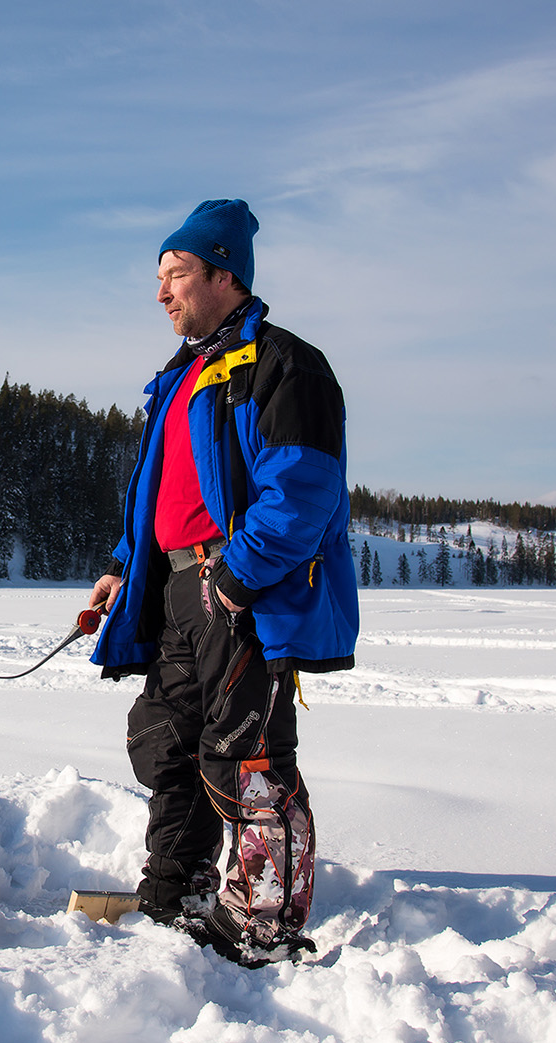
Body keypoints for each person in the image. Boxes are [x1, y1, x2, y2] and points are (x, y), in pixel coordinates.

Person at [87, 198, 358, 967]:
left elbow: (302, 491)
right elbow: (159, 493)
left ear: (223, 273)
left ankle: (266, 923)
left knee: (247, 754)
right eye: (159, 277)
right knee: (164, 743)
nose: (161, 292)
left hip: (240, 590)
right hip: (176, 586)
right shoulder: (182, 377)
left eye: (175, 274)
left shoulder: (283, 364)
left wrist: (237, 576)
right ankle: (174, 892)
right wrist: (122, 568)